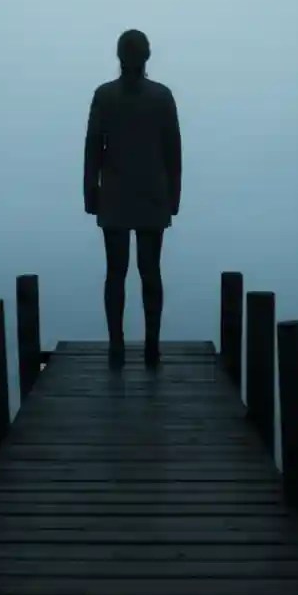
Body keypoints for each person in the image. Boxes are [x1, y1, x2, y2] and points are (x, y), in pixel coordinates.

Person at [83, 29, 182, 369]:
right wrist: (174, 196)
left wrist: (90, 192)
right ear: (147, 56)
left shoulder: (105, 95)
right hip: (152, 194)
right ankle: (151, 346)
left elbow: (93, 149)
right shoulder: (162, 96)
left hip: (115, 194)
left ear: (119, 56)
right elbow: (173, 152)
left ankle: (117, 345)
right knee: (150, 271)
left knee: (116, 272)